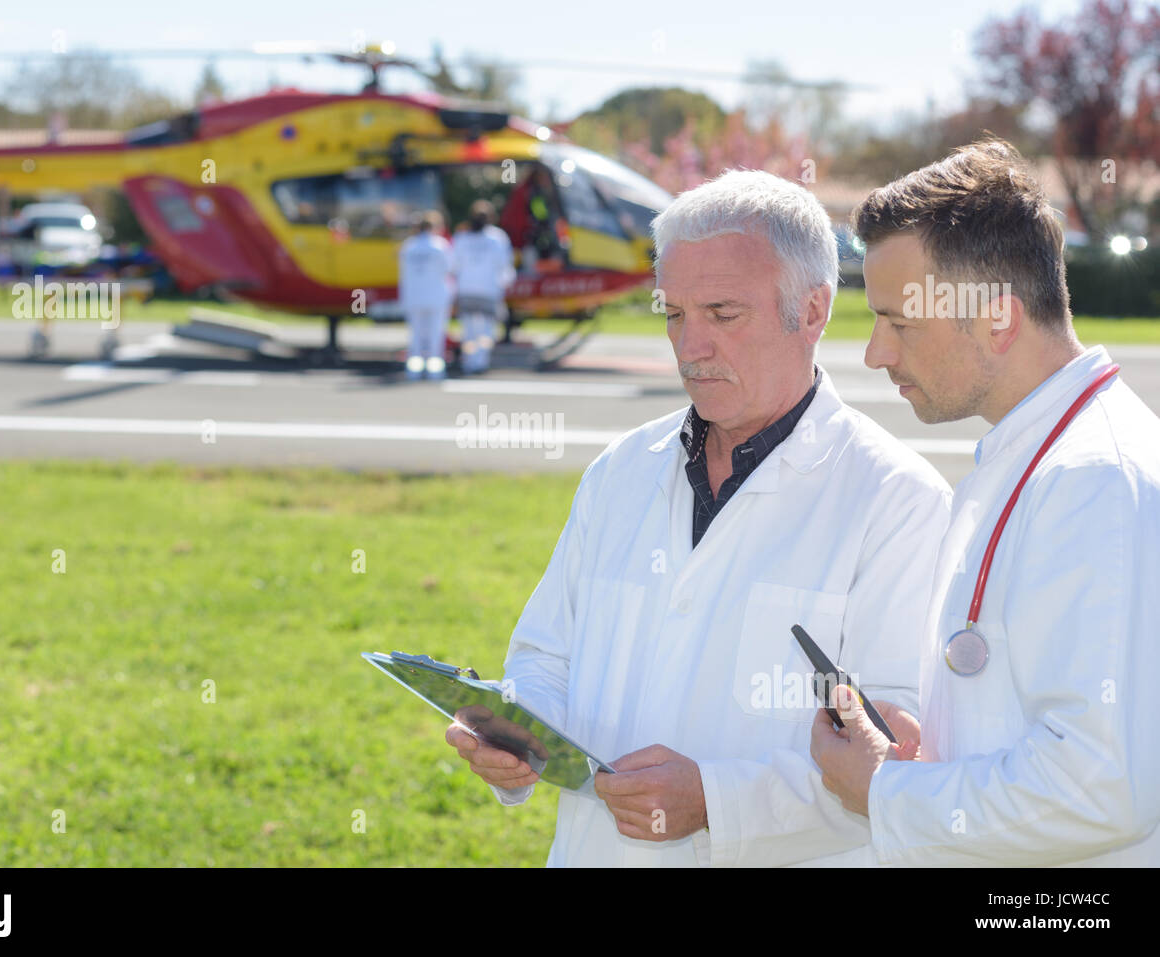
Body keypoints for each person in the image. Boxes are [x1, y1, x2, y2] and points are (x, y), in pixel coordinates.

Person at [444, 169, 952, 866]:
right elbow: (545, 656)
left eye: (722, 313)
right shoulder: (620, 470)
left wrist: (718, 802)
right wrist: (520, 734)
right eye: (674, 314)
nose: (690, 347)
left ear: (812, 311)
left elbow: (899, 756)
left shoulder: (899, 501)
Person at [810, 139, 1160, 865]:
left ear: (998, 319)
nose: (875, 353)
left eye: (899, 322)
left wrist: (883, 787)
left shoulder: (1093, 480)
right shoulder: (1039, 453)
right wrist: (938, 742)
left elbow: (1101, 786)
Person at [451, 200, 515, 375]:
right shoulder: (497, 238)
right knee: (487, 330)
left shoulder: (462, 237)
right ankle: (480, 361)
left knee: (469, 330)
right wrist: (503, 285)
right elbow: (505, 266)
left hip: (467, 289)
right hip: (488, 290)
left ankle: (470, 362)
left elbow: (453, 265)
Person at [396, 210, 454, 380]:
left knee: (416, 337)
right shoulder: (441, 245)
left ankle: (413, 371)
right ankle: (435, 372)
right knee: (436, 336)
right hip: (436, 297)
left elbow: (403, 273)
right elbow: (449, 269)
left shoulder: (408, 246)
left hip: (414, 297)